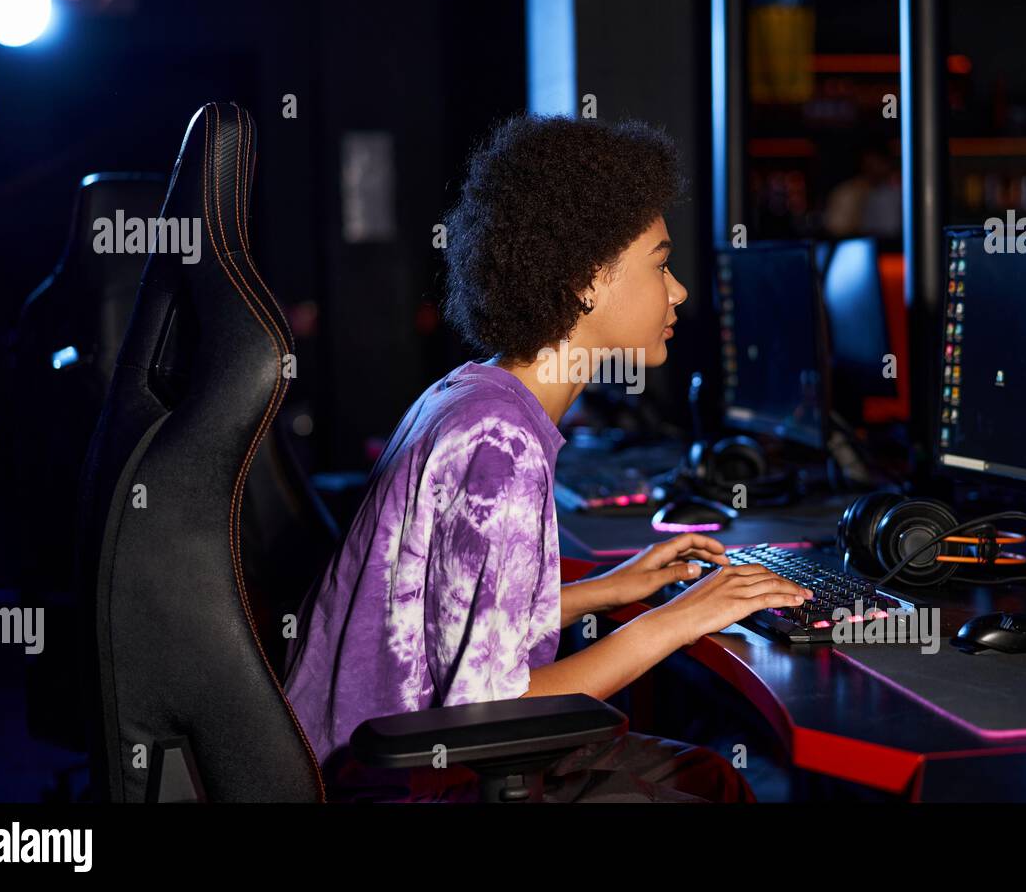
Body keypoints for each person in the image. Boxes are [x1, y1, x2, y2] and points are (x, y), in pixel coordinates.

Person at [282, 113, 813, 802]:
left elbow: (447, 622)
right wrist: (675, 621)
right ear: (587, 281)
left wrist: (607, 591)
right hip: (397, 784)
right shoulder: (504, 445)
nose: (678, 290)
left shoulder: (468, 395)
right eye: (659, 263)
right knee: (710, 782)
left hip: (350, 763)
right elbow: (492, 708)